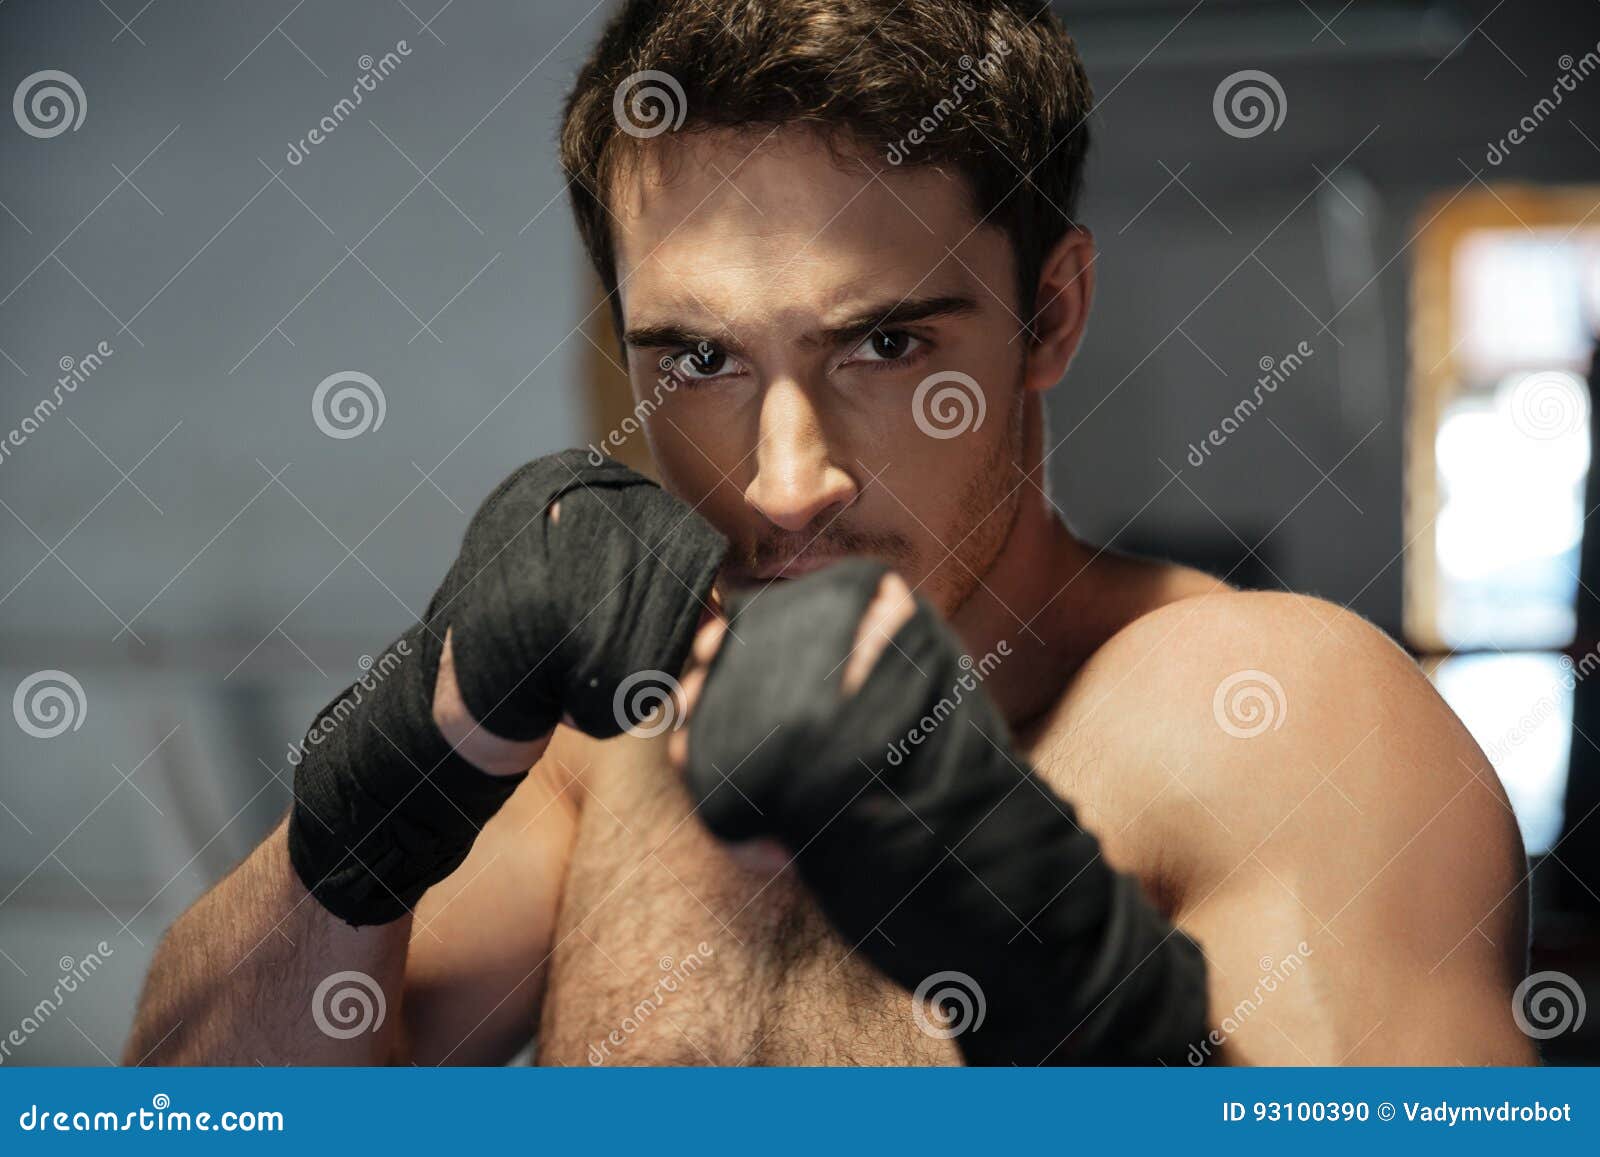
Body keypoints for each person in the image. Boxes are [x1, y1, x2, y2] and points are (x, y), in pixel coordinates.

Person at [125, 0, 1534, 1066]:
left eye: (883, 342)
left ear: (1050, 315)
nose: (786, 483)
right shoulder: (606, 756)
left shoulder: (1278, 717)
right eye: (699, 359)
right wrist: (392, 772)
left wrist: (1084, 996)